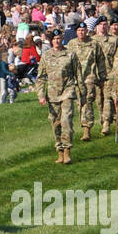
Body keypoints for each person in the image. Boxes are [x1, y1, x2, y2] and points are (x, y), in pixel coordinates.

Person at [36, 31, 81, 164]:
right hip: (52, 94)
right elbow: (41, 77)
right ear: (51, 41)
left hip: (67, 91)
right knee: (55, 123)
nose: (56, 41)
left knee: (66, 120)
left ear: (62, 39)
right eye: (54, 39)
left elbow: (78, 74)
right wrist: (40, 95)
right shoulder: (46, 56)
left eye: (58, 38)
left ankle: (67, 150)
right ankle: (60, 150)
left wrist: (81, 92)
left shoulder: (70, 55)